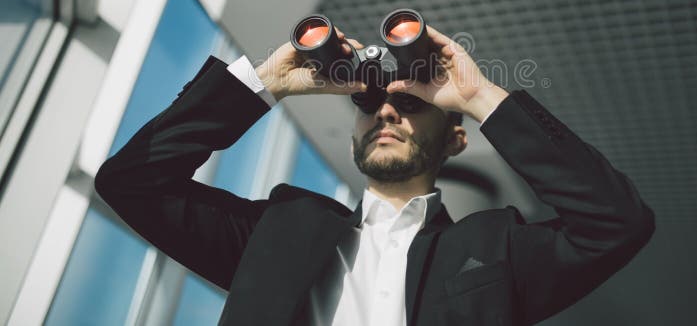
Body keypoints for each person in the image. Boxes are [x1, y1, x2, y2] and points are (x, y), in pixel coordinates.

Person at [95, 24, 655, 326]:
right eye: (371, 106)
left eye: (411, 105)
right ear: (355, 132)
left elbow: (617, 224)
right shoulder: (281, 232)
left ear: (457, 138)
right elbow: (131, 183)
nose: (386, 110)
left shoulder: (494, 248)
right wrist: (268, 82)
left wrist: (482, 96)